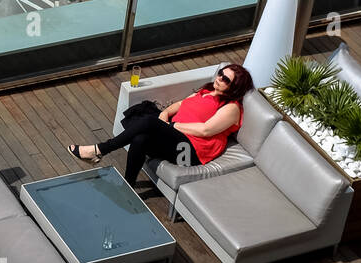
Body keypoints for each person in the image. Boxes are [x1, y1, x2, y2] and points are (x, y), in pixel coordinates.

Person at [68, 63, 253, 184]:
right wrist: (164, 113)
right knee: (141, 138)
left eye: (225, 79)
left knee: (148, 121)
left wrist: (171, 126)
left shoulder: (232, 108)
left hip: (189, 153)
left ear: (234, 87)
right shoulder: (207, 90)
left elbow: (205, 130)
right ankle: (129, 185)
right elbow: (182, 104)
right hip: (176, 139)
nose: (219, 78)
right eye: (221, 74)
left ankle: (99, 149)